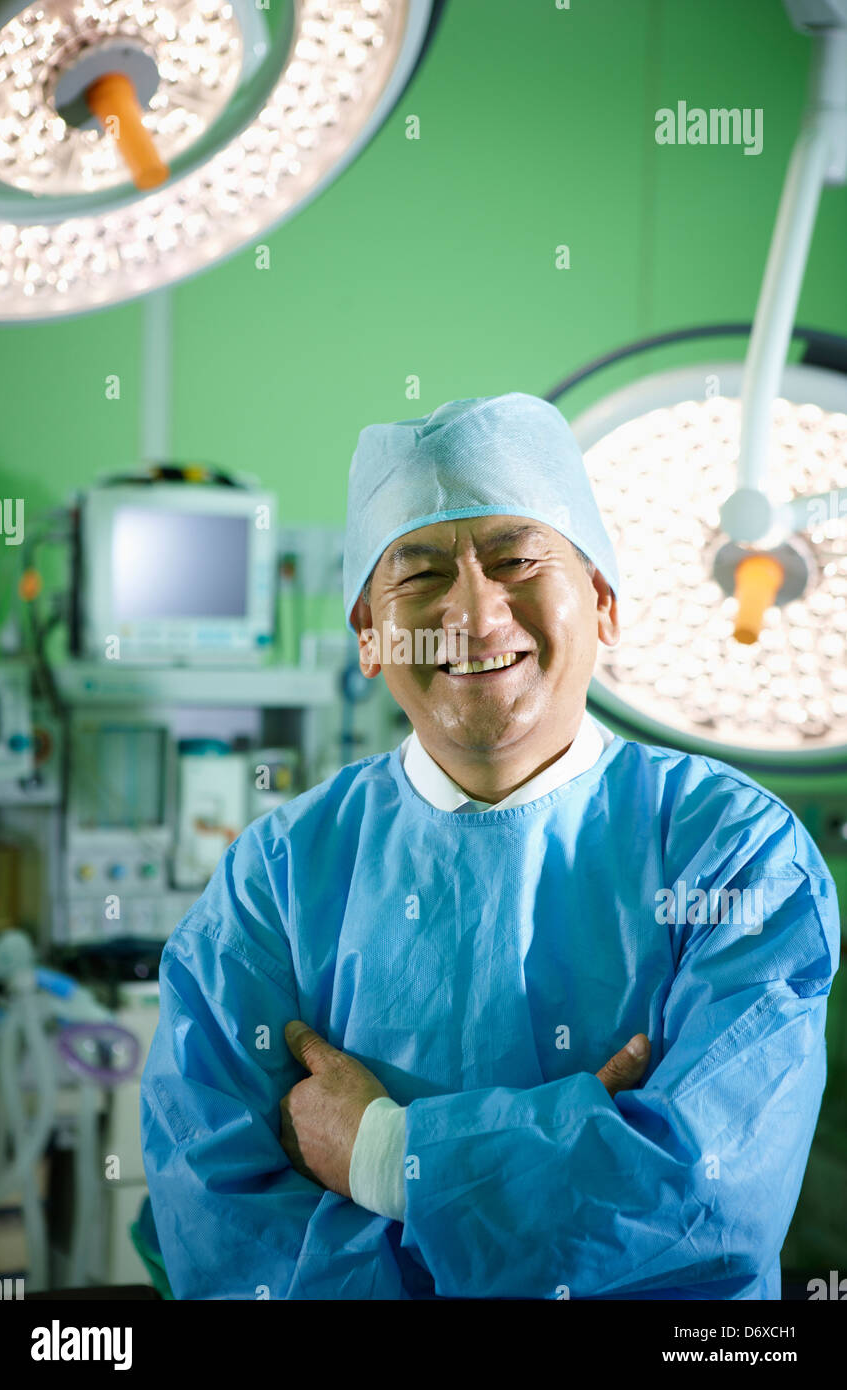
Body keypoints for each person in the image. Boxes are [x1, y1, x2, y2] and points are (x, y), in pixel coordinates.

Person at [140, 391, 839, 1300]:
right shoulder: (272, 886)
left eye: (515, 559)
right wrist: (567, 1150)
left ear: (603, 603)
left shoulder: (732, 856)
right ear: (368, 637)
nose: (472, 613)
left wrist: (385, 1157)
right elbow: (224, 1234)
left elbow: (699, 1202)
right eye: (420, 574)